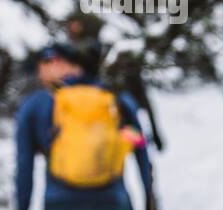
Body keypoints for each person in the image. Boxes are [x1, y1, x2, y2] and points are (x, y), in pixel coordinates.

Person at [15, 42, 157, 210]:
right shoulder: (115, 100)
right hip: (109, 204)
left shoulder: (36, 106)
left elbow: (24, 166)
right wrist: (150, 196)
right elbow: (140, 150)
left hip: (58, 208)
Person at [65, 13, 165, 152]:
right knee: (123, 120)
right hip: (104, 91)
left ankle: (144, 146)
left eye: (75, 24)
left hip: (125, 84)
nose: (74, 28)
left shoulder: (97, 42)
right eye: (71, 25)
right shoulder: (76, 45)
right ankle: (135, 145)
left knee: (132, 114)